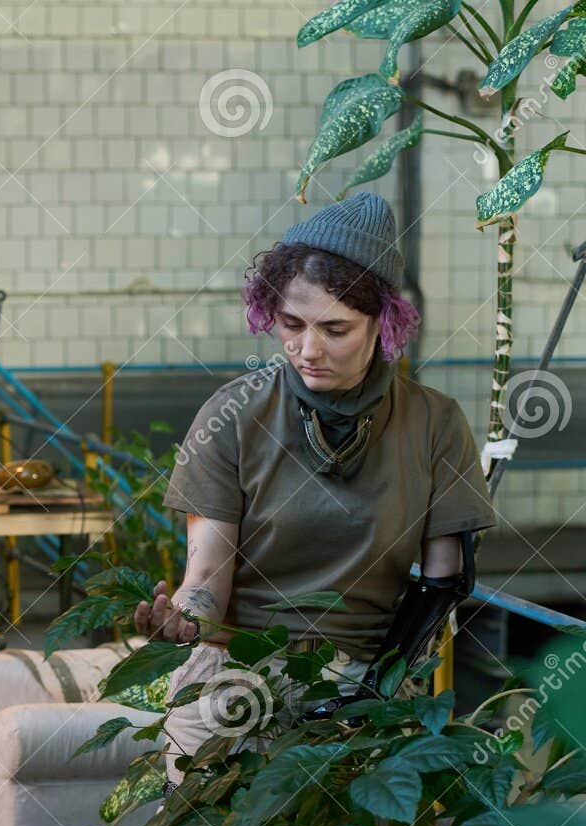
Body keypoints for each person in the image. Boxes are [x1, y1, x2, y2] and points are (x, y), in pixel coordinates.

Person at [142, 191, 497, 787]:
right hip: (234, 673)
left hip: (366, 684)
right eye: (291, 325)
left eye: (336, 329)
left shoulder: (435, 423)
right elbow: (206, 576)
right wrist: (183, 621)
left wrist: (375, 691)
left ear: (383, 321)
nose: (308, 350)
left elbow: (441, 587)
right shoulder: (232, 416)